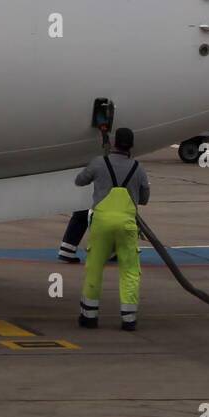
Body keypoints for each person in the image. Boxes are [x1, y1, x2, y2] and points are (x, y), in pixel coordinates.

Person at [74, 127, 149, 332]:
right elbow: (144, 199)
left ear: (114, 143)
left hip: (102, 222)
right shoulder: (138, 168)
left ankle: (89, 316)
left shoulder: (99, 163)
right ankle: (129, 319)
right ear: (131, 146)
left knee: (95, 267)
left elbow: (79, 180)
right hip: (126, 224)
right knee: (130, 270)